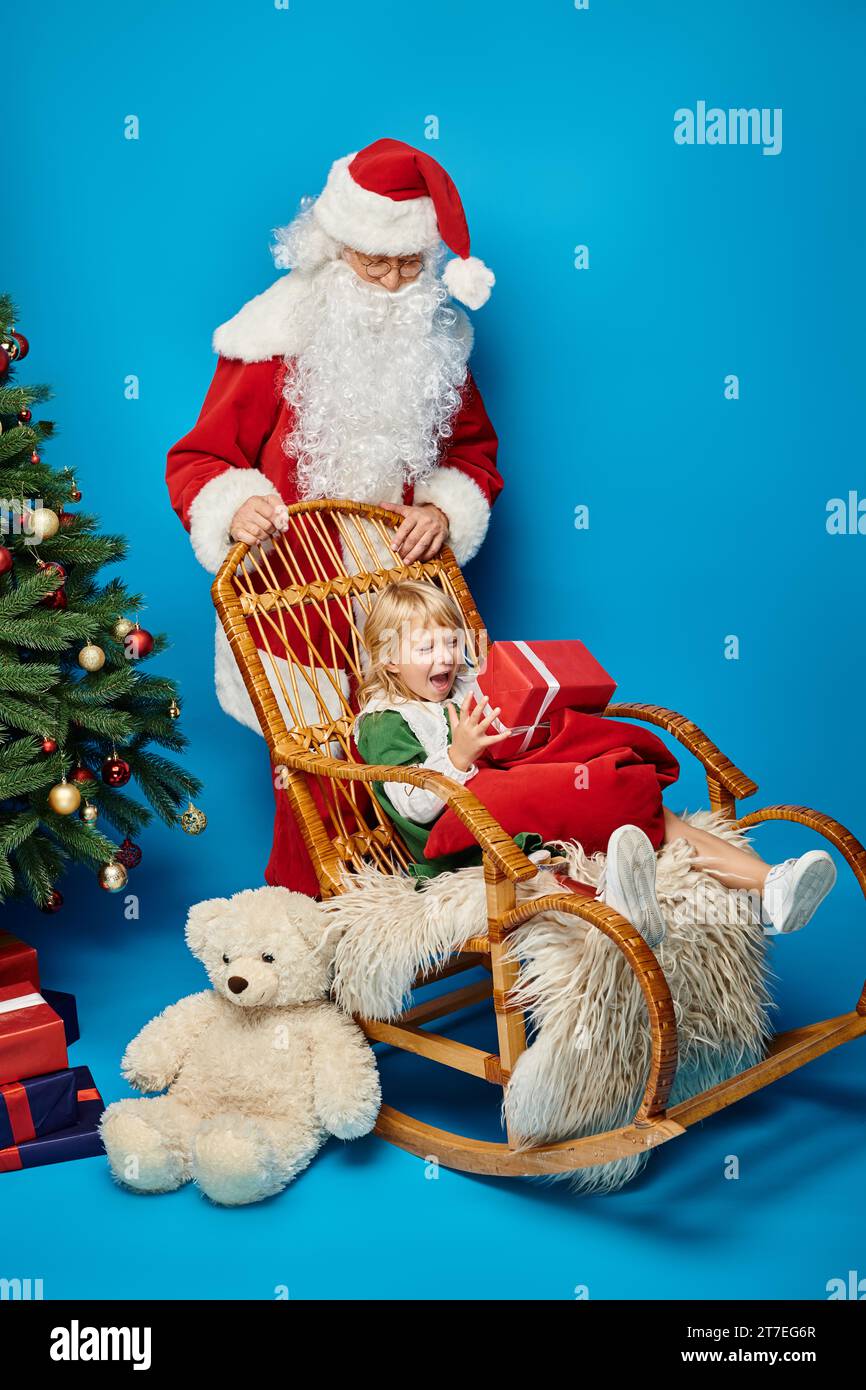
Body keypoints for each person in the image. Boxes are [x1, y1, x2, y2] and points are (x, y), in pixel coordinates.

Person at [166, 138, 501, 893]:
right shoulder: (270, 338)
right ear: (332, 249)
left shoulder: (439, 342)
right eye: (373, 263)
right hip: (296, 607)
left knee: (436, 768)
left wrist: (445, 510)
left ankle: (424, 927)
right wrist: (237, 506)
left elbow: (475, 457)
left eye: (409, 265)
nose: (390, 282)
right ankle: (310, 951)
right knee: (318, 789)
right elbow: (198, 462)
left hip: (408, 614)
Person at [353, 581, 838, 943]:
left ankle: (768, 885)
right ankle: (616, 902)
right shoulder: (385, 721)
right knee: (580, 798)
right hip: (465, 836)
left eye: (452, 643)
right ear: (389, 660)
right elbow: (411, 802)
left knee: (624, 791)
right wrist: (459, 753)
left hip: (507, 793)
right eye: (427, 648)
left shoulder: (465, 688)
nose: (446, 657)